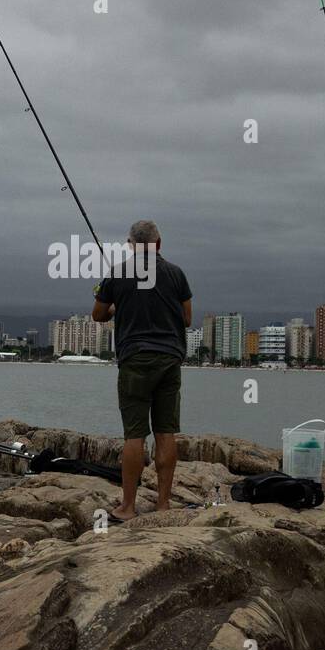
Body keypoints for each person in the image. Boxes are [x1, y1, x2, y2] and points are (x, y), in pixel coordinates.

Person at [93, 219, 192, 521]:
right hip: (169, 359)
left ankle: (128, 506)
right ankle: (163, 505)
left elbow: (98, 314)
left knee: (134, 435)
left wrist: (116, 306)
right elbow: (187, 319)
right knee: (166, 432)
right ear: (159, 244)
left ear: (130, 244)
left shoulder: (117, 273)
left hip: (134, 359)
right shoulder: (176, 273)